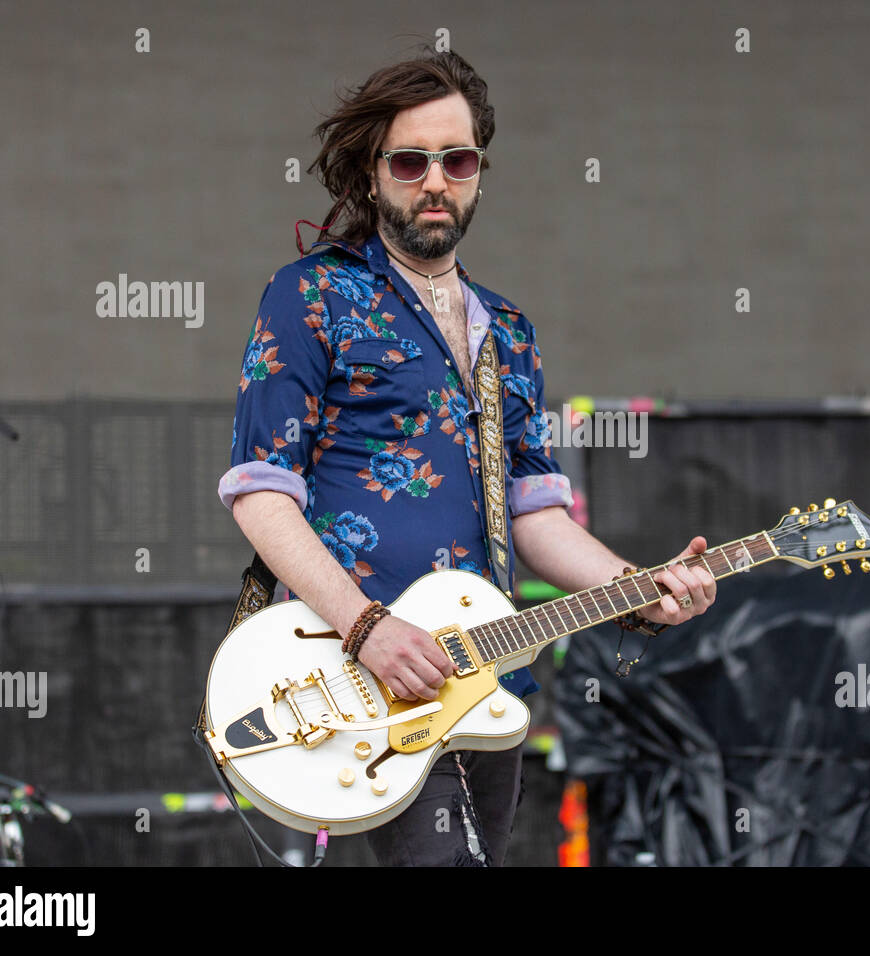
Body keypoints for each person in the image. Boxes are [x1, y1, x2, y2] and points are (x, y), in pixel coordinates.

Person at [217, 46, 716, 866]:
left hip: (489, 676)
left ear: (480, 170)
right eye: (411, 161)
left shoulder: (508, 329)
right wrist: (366, 626)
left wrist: (639, 589)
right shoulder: (309, 295)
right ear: (371, 174)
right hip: (361, 676)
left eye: (458, 159)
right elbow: (261, 495)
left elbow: (536, 513)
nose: (436, 180)